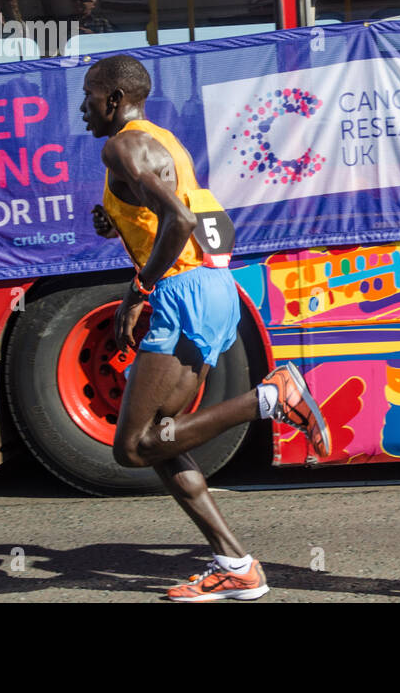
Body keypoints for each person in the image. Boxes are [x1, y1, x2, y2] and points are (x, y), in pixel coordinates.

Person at [81, 53, 332, 601]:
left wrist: (138, 290)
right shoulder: (160, 139)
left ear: (116, 99)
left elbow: (183, 220)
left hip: (181, 293)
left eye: (90, 95)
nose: (84, 108)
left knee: (130, 448)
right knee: (163, 443)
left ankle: (268, 399)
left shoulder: (118, 144)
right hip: (211, 287)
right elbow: (181, 214)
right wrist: (117, 219)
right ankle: (236, 564)